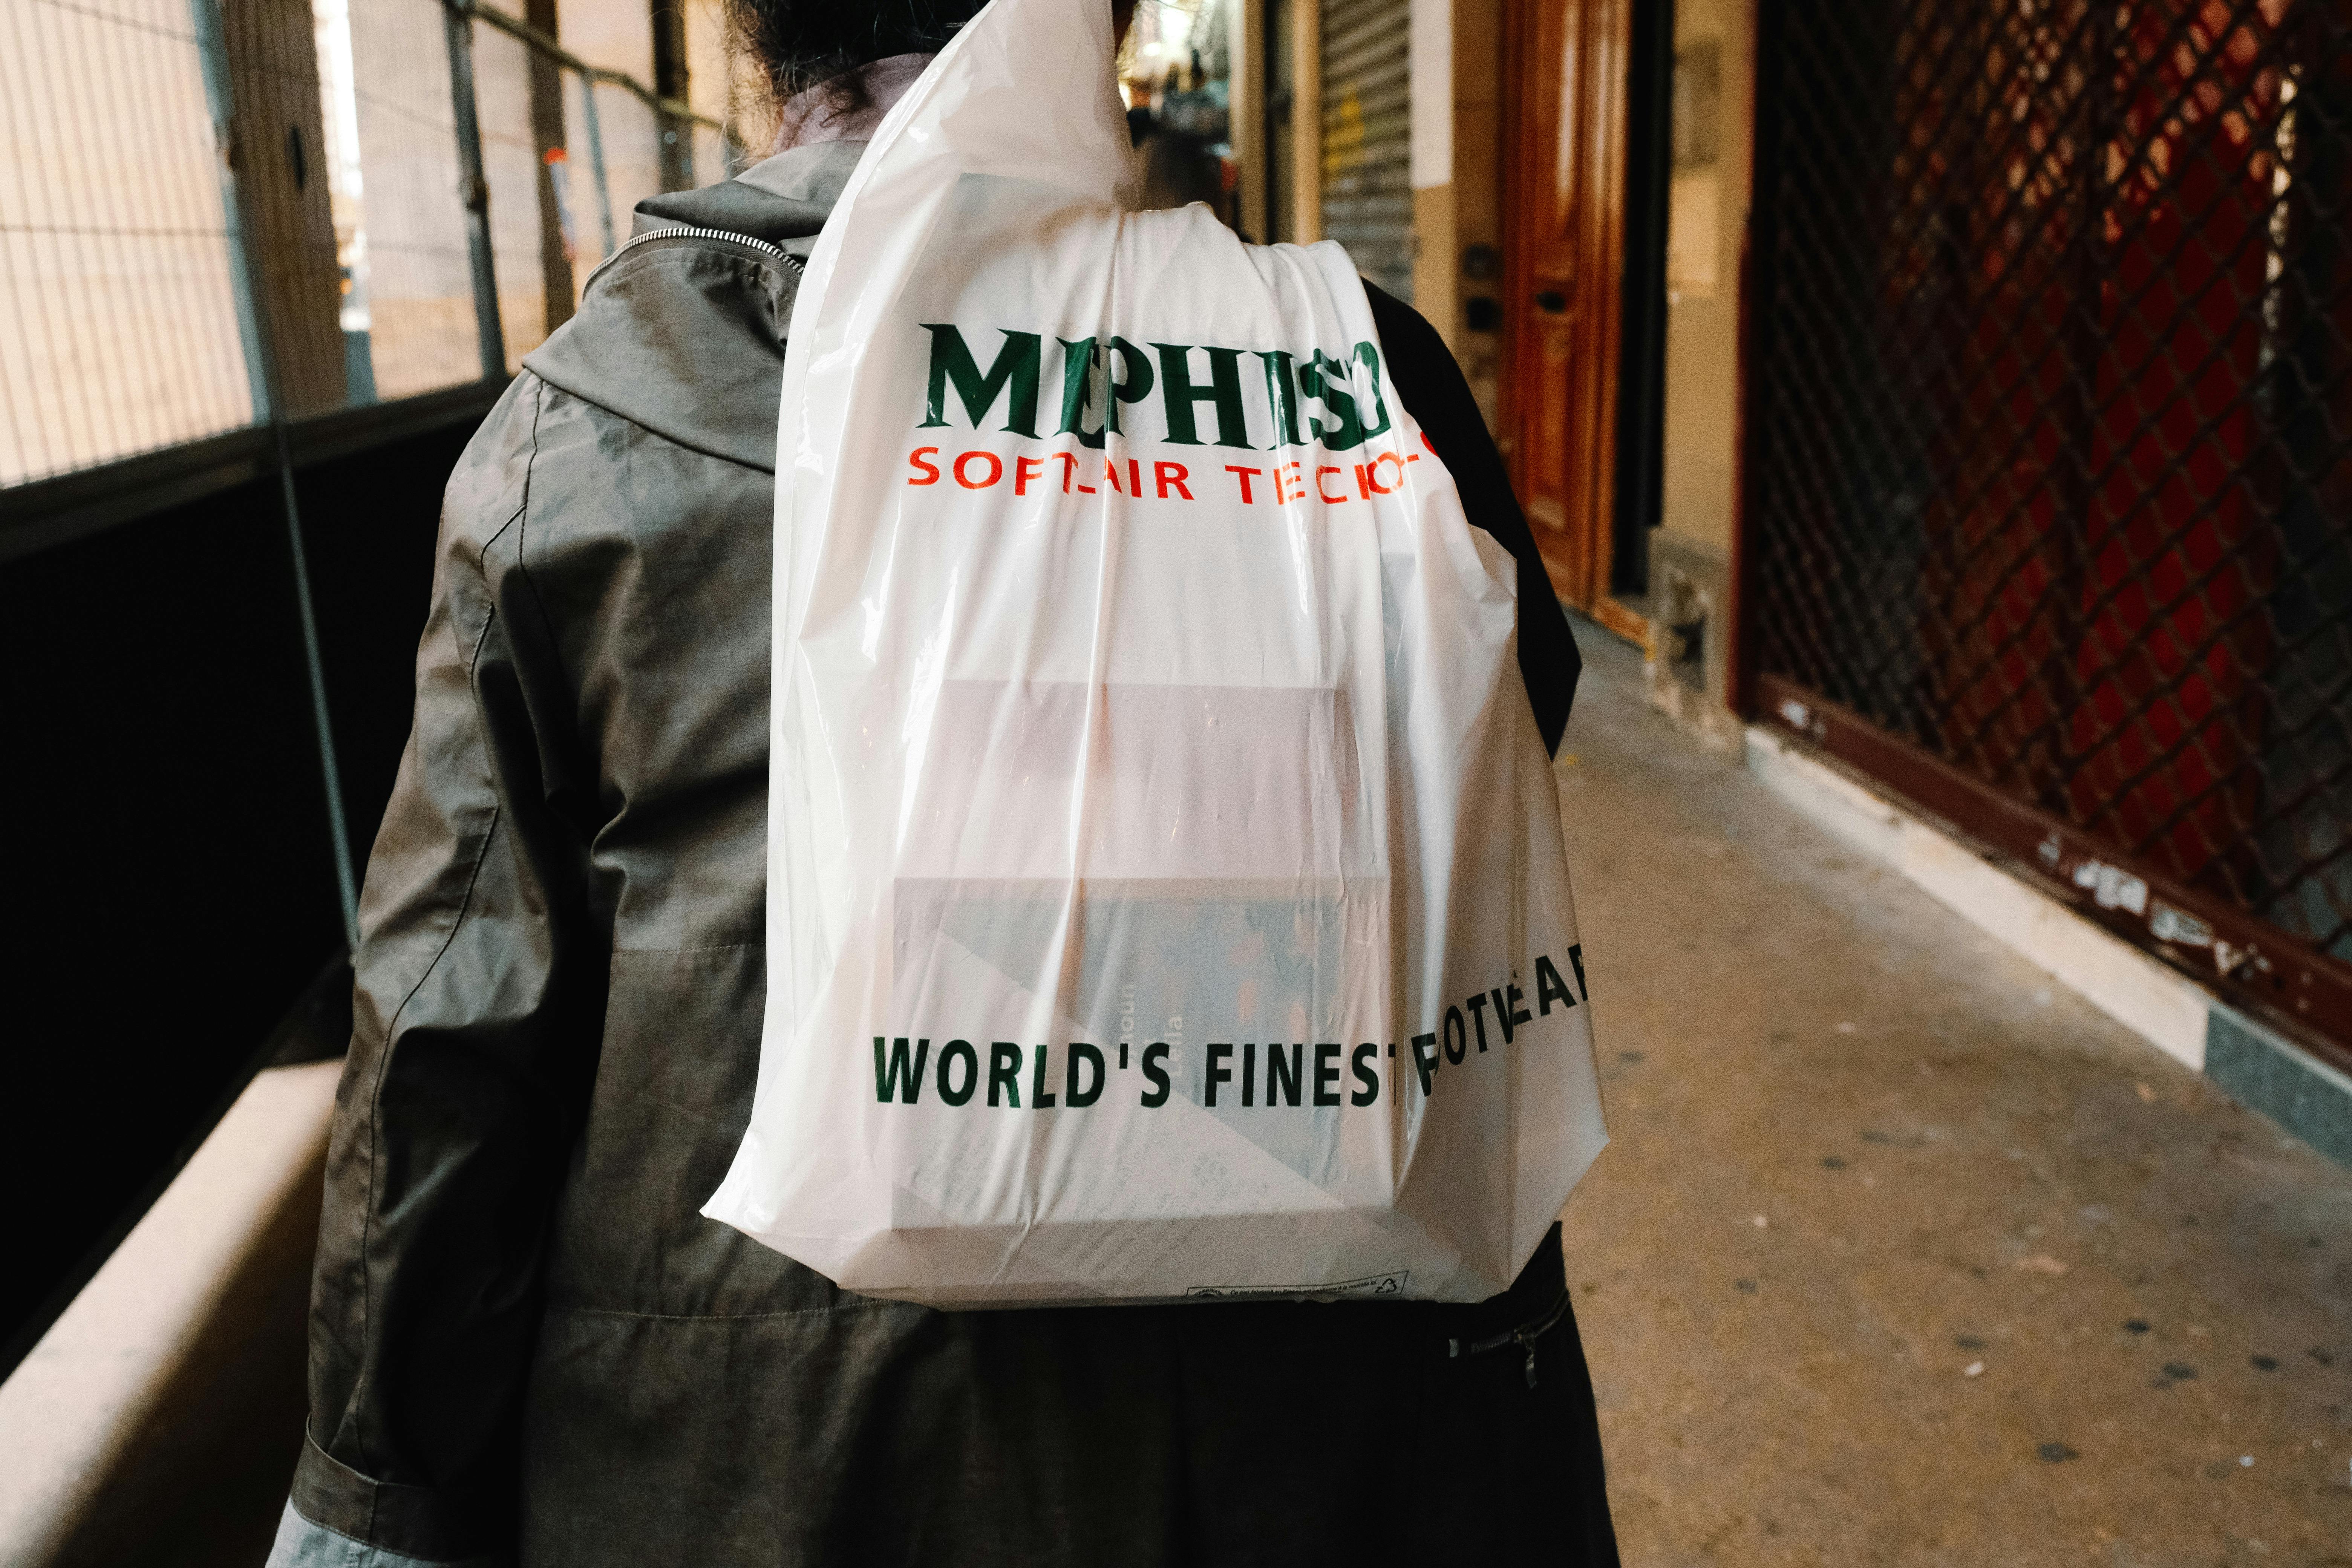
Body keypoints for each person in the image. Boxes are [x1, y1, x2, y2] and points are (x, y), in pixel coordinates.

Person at [266, 3, 1613, 1564]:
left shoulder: (583, 433)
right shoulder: (1365, 373)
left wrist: (371, 1489)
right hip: (1328, 1456)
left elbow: (454, 1009)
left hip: (761, 1465)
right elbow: (1511, 735)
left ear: (756, 35)